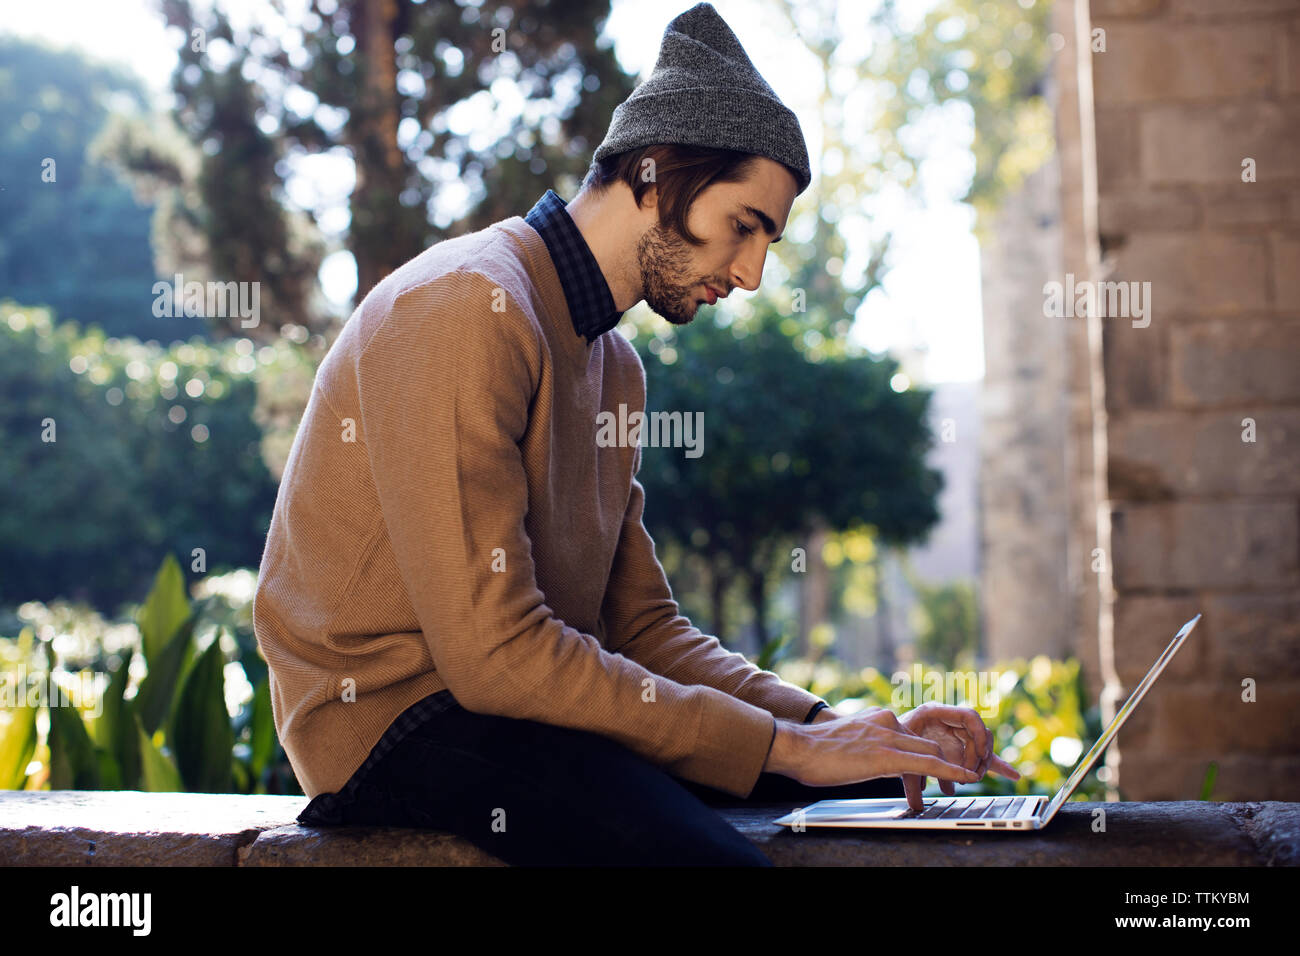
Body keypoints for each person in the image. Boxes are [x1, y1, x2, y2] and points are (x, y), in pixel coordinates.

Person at [253, 1, 1018, 867]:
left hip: (523, 709)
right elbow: (495, 656)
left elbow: (644, 628)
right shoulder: (468, 304)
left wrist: (826, 726)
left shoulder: (612, 364)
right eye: (744, 226)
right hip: (399, 721)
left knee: (876, 786)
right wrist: (787, 751)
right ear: (654, 173)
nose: (753, 272)